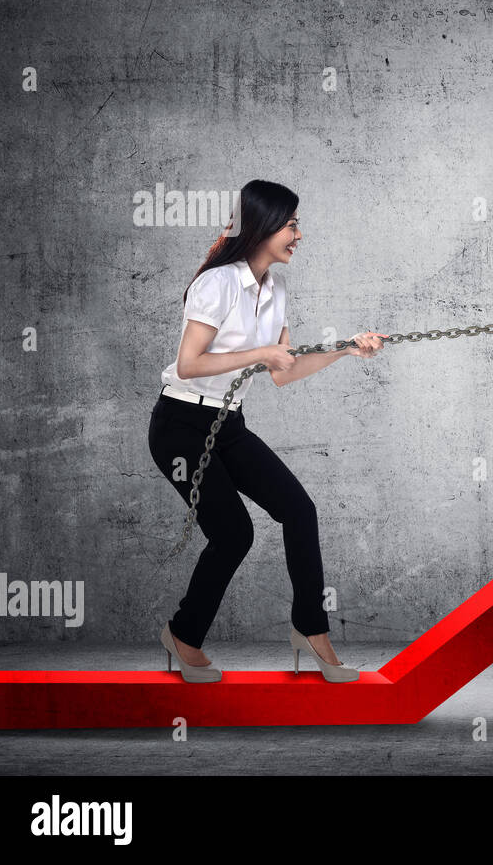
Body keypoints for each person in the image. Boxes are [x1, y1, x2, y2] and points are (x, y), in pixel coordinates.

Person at [149, 179, 387, 682]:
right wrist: (260, 353)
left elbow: (284, 372)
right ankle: (184, 633)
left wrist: (346, 349)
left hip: (227, 425)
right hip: (181, 426)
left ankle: (310, 628)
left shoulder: (276, 288)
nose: (298, 234)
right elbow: (189, 364)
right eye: (291, 224)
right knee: (234, 534)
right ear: (263, 226)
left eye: (298, 224)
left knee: (299, 510)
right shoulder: (218, 283)